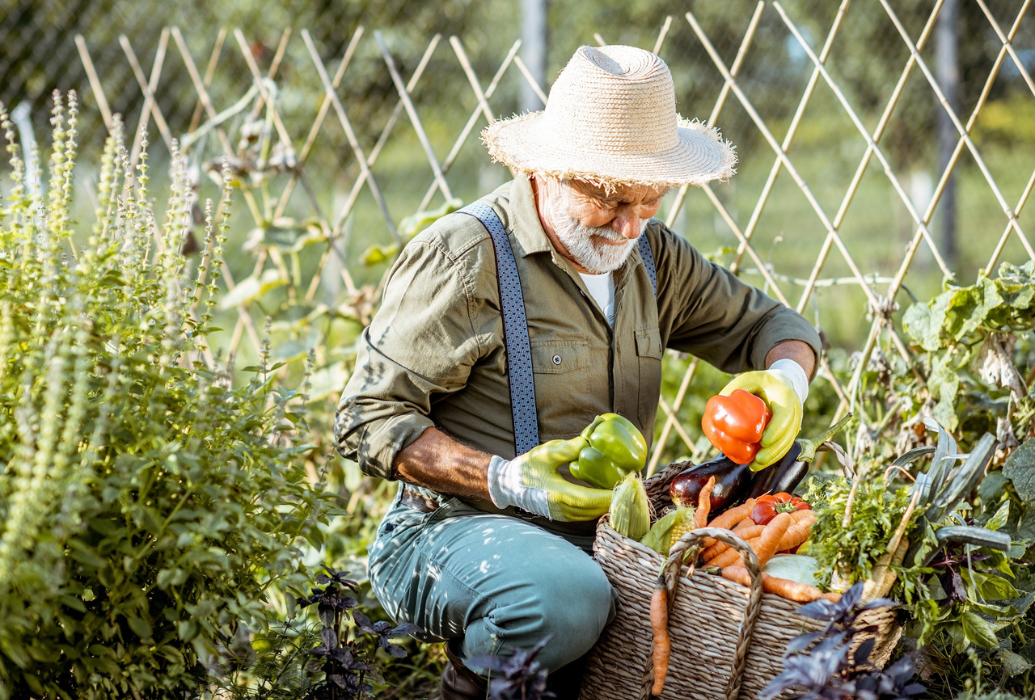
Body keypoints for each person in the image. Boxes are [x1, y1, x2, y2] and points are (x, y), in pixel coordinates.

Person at [334, 45, 819, 699]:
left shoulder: (652, 258)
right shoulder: (468, 257)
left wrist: (786, 383)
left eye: (649, 201)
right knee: (565, 596)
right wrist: (504, 480)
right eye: (610, 199)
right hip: (448, 532)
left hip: (598, 543)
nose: (628, 226)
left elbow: (776, 329)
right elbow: (366, 419)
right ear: (552, 170)